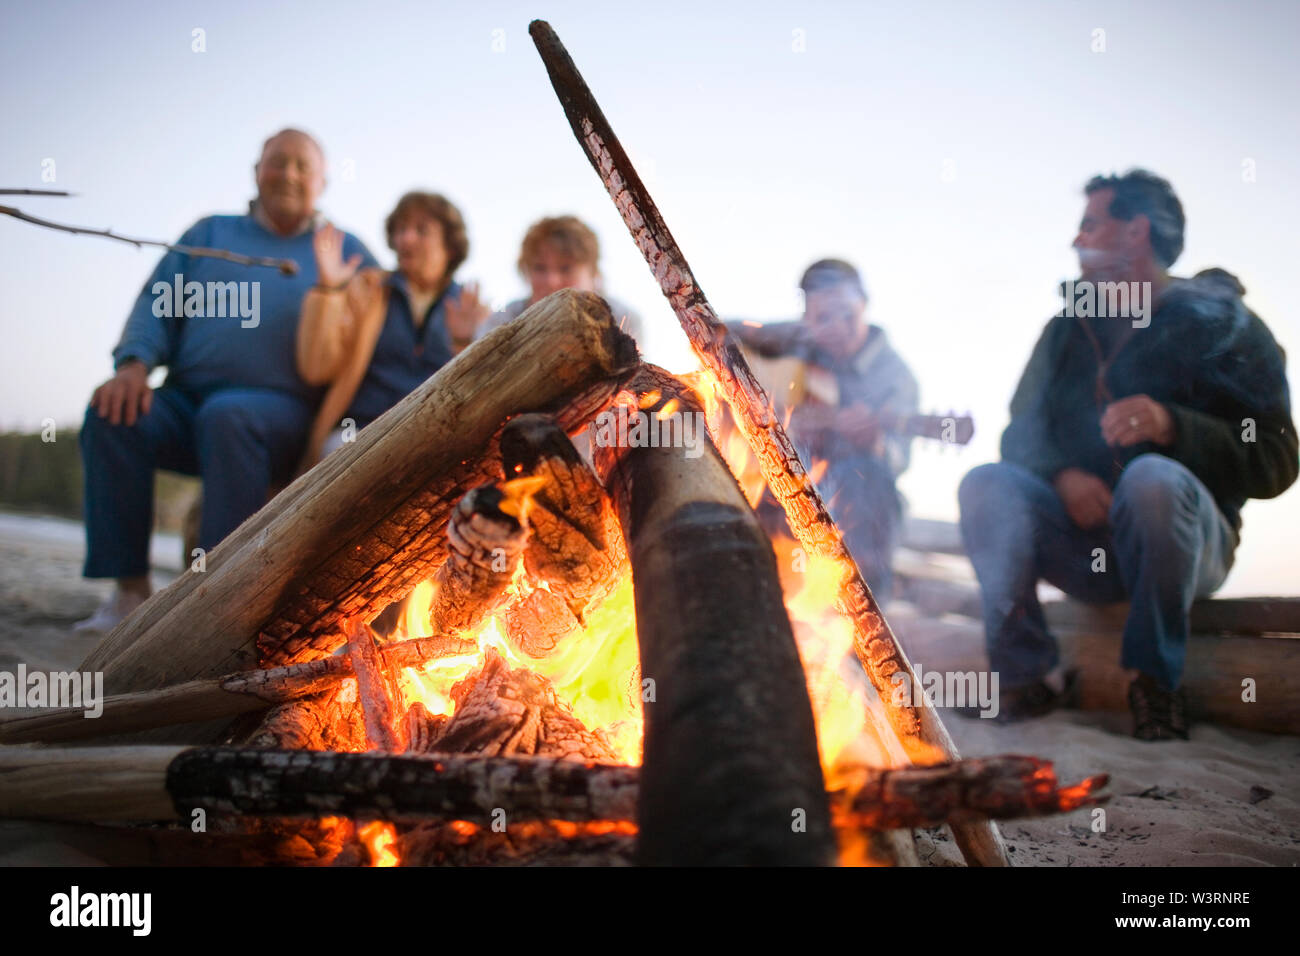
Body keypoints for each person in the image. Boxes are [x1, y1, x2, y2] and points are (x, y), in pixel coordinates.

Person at [957, 169, 1297, 739]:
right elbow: (1020, 432)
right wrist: (1061, 476)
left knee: (1151, 479)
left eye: (1091, 224)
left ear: (1136, 231)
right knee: (986, 483)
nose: (1077, 239)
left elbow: (1278, 457)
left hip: (1186, 548)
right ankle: (1024, 679)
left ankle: (1156, 687)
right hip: (1086, 548)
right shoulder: (1067, 328)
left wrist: (1176, 426)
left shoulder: (1226, 325)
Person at [76, 128, 377, 632]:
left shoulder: (347, 250)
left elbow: (384, 325)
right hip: (187, 403)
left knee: (229, 414)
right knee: (111, 414)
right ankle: (128, 593)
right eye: (277, 162)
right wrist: (132, 365)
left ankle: (213, 601)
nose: (289, 174)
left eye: (303, 166)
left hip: (284, 417)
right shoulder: (208, 235)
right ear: (256, 172)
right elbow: (157, 302)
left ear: (323, 182)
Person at [730, 259, 920, 600]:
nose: (837, 328)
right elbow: (719, 332)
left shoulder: (895, 374)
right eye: (823, 318)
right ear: (807, 318)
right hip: (784, 489)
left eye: (847, 315)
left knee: (866, 477)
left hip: (853, 503)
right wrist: (768, 408)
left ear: (864, 304)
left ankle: (861, 610)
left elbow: (899, 458)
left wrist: (876, 441)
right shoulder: (797, 341)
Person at [296, 191, 487, 470]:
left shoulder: (469, 307)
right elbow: (316, 369)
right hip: (359, 432)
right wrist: (329, 291)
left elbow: (479, 396)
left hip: (436, 440)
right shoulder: (368, 290)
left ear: (450, 246)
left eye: (421, 230)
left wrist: (463, 342)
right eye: (400, 229)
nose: (405, 238)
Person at [475, 215, 644, 343]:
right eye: (540, 268)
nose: (552, 281)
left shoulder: (622, 319)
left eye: (565, 268)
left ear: (593, 273)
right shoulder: (502, 323)